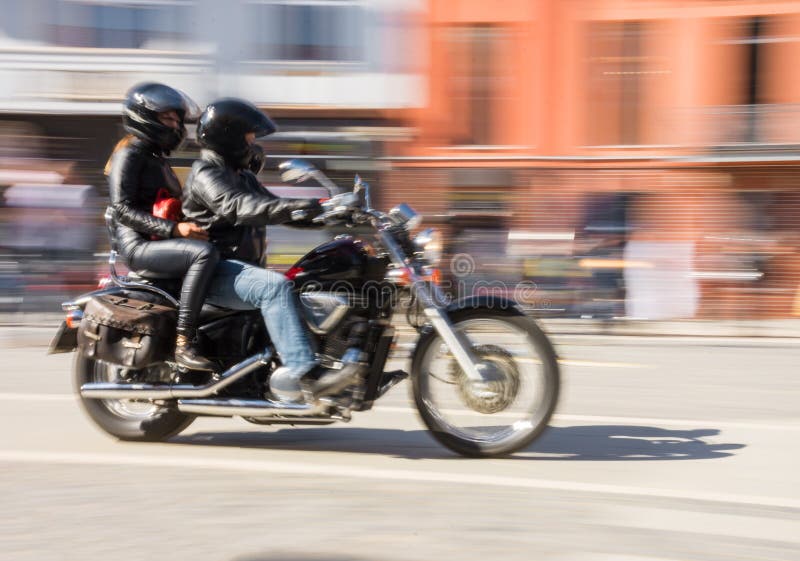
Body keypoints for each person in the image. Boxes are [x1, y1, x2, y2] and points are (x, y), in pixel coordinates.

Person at [181, 98, 360, 403]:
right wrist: (302, 207)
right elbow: (236, 206)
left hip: (241, 270)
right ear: (230, 135)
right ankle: (307, 374)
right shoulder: (205, 172)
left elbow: (277, 209)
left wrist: (331, 213)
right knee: (275, 287)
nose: (254, 145)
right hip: (216, 272)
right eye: (250, 137)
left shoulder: (243, 176)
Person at [107, 82, 218, 372]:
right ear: (145, 116)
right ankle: (184, 342)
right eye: (168, 119)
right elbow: (123, 209)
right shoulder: (129, 153)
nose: (176, 126)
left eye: (178, 120)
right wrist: (176, 231)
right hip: (138, 246)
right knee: (202, 254)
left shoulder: (157, 159)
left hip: (156, 241)